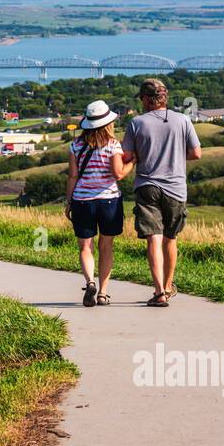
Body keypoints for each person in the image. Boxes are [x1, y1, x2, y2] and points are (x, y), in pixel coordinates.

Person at [120, 78, 201, 307]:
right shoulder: (183, 120)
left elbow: (126, 157)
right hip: (176, 187)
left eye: (141, 98)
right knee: (170, 238)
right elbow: (196, 153)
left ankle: (158, 292)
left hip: (147, 185)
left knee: (153, 239)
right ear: (164, 97)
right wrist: (175, 155)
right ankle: (168, 285)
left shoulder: (136, 123)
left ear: (146, 98)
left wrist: (141, 155)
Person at [64, 99, 134, 307]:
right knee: (106, 246)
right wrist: (133, 162)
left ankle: (90, 282)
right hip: (109, 201)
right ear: (108, 124)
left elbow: (72, 176)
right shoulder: (113, 145)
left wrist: (69, 201)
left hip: (82, 201)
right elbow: (119, 174)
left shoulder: (75, 146)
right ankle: (103, 293)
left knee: (86, 246)